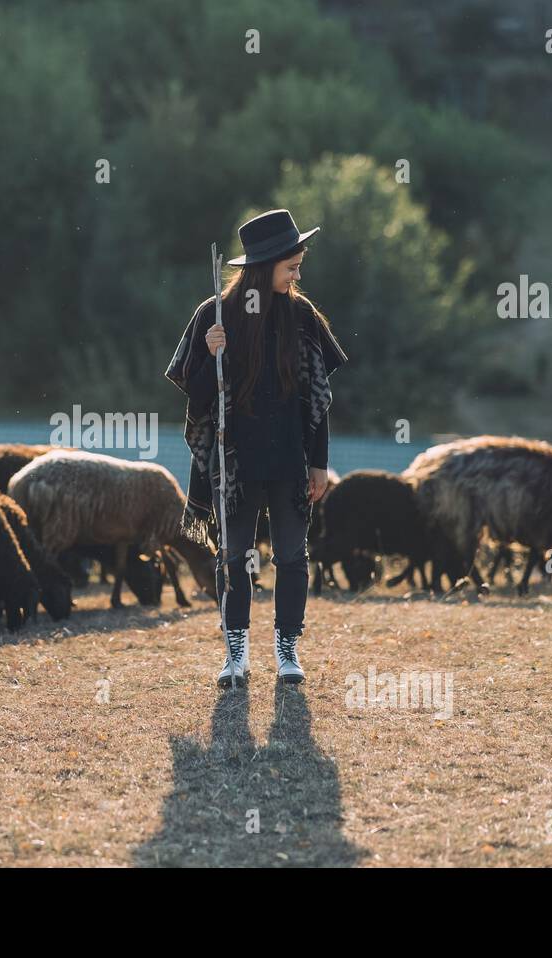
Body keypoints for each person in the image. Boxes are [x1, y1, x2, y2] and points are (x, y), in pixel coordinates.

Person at [164, 209, 348, 687]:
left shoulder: (302, 317)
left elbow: (318, 401)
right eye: (292, 267)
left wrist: (319, 463)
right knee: (233, 558)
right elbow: (197, 397)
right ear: (265, 267)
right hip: (233, 464)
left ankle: (287, 649)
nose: (298, 276)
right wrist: (210, 354)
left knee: (291, 557)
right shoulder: (214, 316)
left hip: (289, 460)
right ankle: (235, 652)